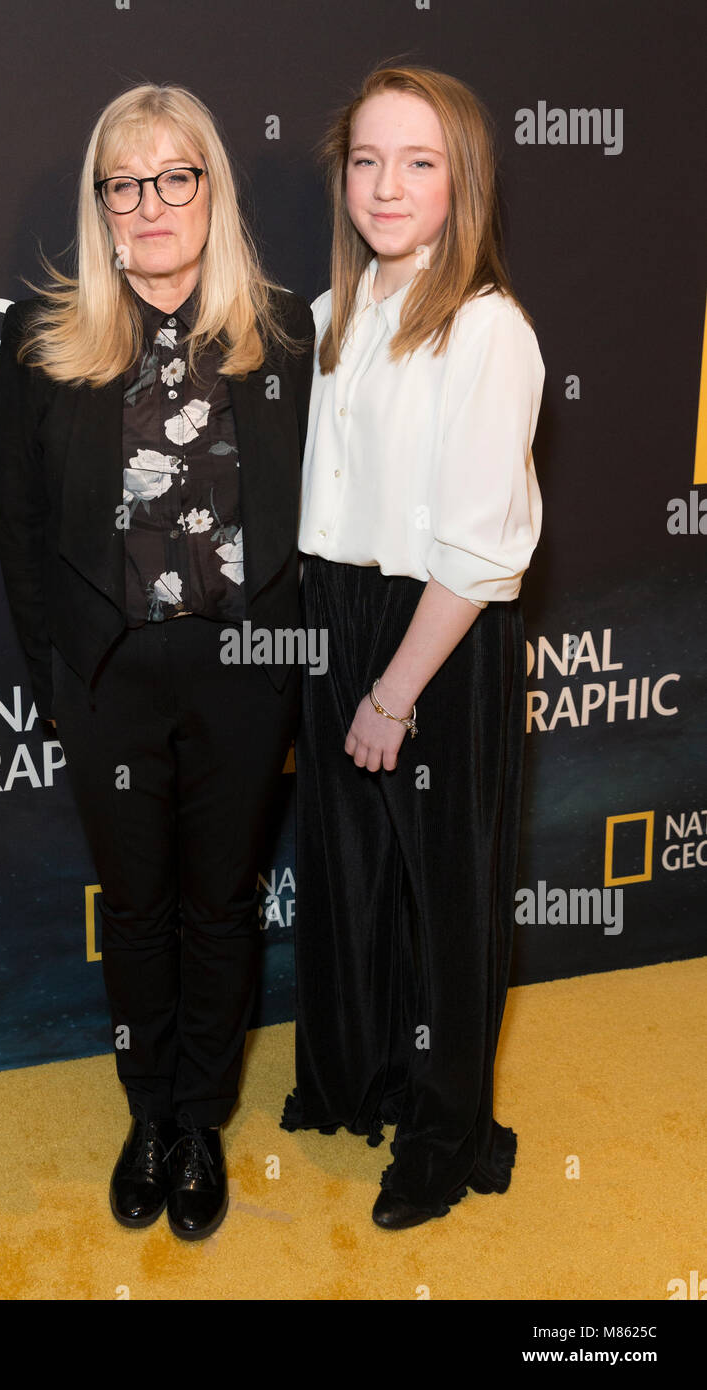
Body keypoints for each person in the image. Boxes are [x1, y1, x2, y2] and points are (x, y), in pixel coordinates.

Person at [0, 83, 314, 1241]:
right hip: (109, 679)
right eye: (124, 182)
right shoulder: (45, 347)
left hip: (240, 676)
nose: (150, 202)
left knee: (220, 905)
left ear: (209, 187)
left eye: (174, 175)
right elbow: (20, 537)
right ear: (103, 202)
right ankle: (148, 1120)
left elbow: (312, 521)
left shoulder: (281, 334)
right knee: (134, 908)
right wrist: (63, 682)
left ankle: (202, 1120)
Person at [281, 65, 545, 1230]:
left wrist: (390, 695)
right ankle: (358, 1075)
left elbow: (479, 554)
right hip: (334, 611)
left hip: (434, 633)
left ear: (462, 181)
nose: (385, 186)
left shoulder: (488, 333)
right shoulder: (336, 315)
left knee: (445, 896)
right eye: (366, 160)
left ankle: (443, 1136)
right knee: (346, 870)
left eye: (418, 161)